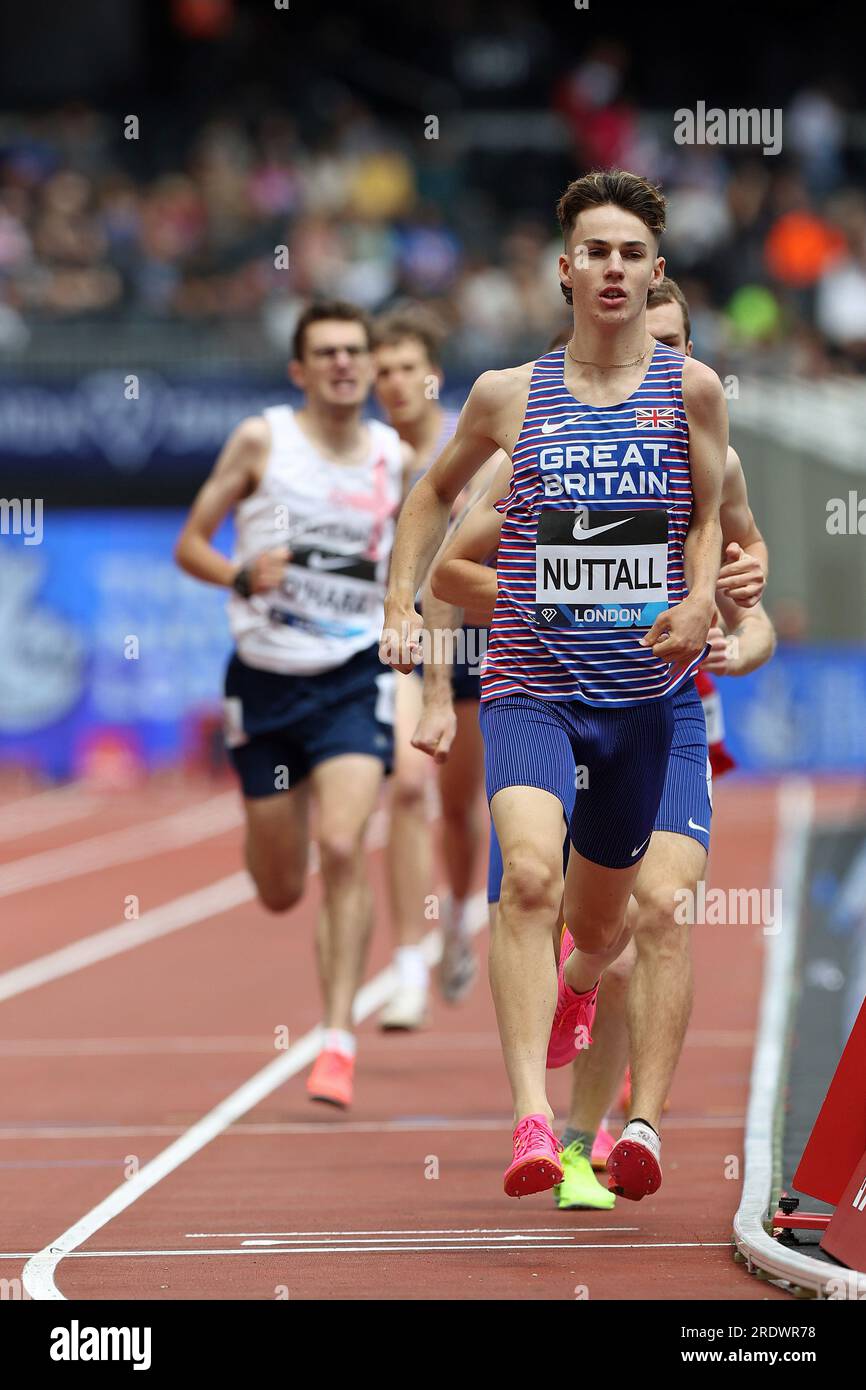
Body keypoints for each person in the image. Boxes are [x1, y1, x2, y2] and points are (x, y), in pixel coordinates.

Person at [381, 170, 728, 1199]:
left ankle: (605, 1045)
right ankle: (533, 1119)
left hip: (645, 697)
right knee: (528, 877)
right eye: (596, 252)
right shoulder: (508, 395)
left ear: (652, 270)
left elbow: (707, 516)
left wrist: (704, 600)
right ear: (563, 268)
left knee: (609, 923)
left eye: (631, 254)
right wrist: (403, 603)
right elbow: (430, 500)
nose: (613, 269)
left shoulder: (691, 393)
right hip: (532, 690)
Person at [430, 275, 776, 1207]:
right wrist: (549, 594)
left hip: (662, 719)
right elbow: (450, 568)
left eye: (672, 349)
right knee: (569, 913)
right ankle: (550, 1114)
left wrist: (737, 632)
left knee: (656, 916)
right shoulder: (541, 451)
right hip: (548, 703)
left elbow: (753, 595)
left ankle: (627, 1130)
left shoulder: (714, 461)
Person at [175, 300, 413, 1111]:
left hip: (351, 677)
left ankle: (336, 1038)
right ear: (300, 370)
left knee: (344, 845)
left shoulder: (393, 454)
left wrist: (409, 619)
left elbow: (421, 551)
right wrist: (241, 575)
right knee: (281, 885)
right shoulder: (261, 440)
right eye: (328, 353)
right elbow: (191, 544)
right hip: (267, 683)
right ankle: (267, 833)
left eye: (356, 351)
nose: (345, 364)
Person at [372, 309, 481, 1025]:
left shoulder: (468, 446)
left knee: (461, 807)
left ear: (432, 374)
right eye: (382, 371)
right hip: (399, 643)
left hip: (473, 641)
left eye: (408, 368)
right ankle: (408, 961)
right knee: (410, 785)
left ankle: (454, 925)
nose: (394, 383)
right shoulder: (366, 453)